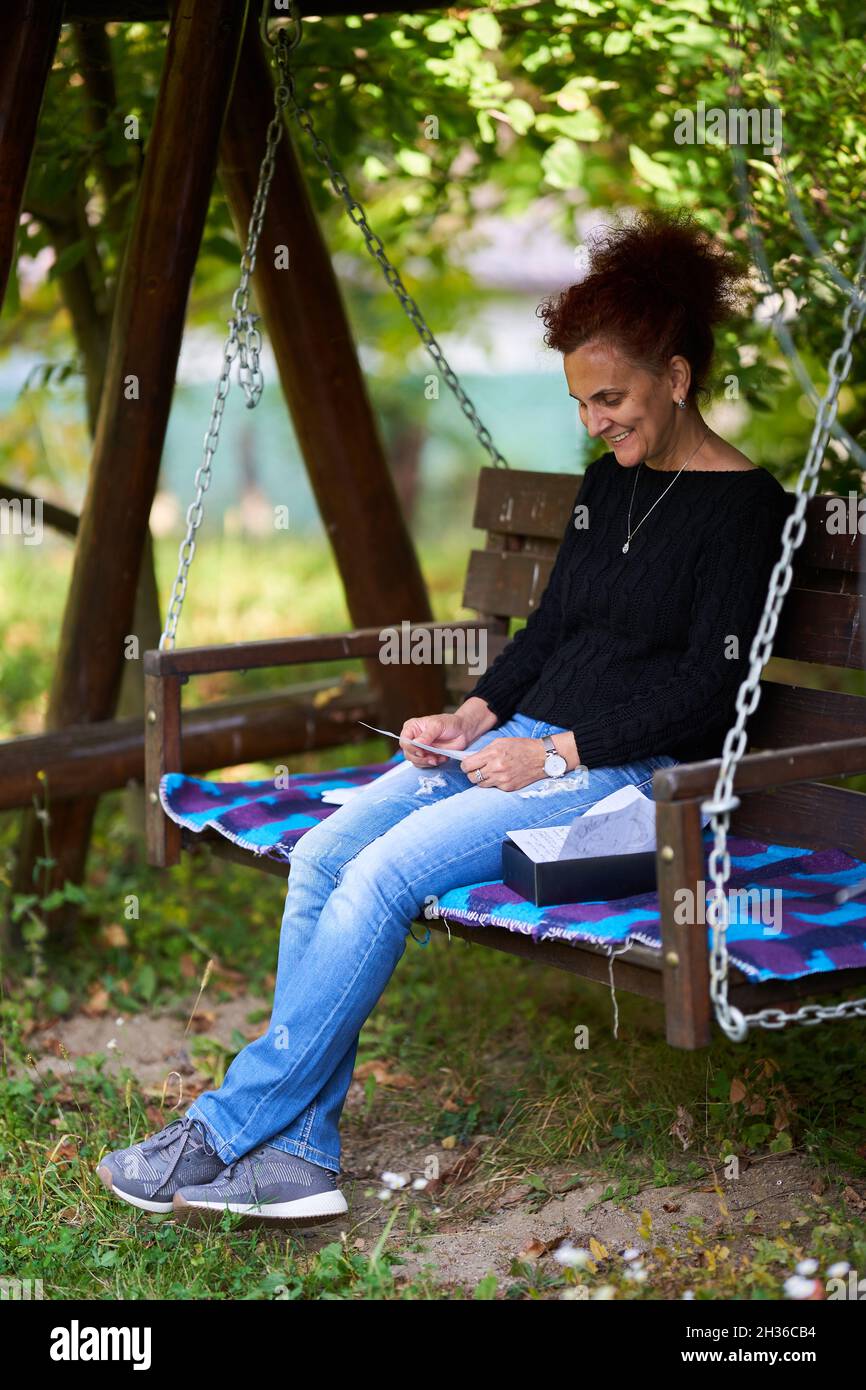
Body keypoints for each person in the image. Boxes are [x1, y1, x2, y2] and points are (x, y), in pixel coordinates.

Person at [96, 208, 790, 1228]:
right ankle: (295, 1152)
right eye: (581, 403)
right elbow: (551, 631)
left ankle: (225, 1126)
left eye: (612, 398)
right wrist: (469, 717)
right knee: (326, 849)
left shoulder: (743, 511)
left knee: (384, 874)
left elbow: (714, 693)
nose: (595, 421)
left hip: (634, 779)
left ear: (676, 377)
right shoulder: (609, 489)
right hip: (532, 745)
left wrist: (551, 753)